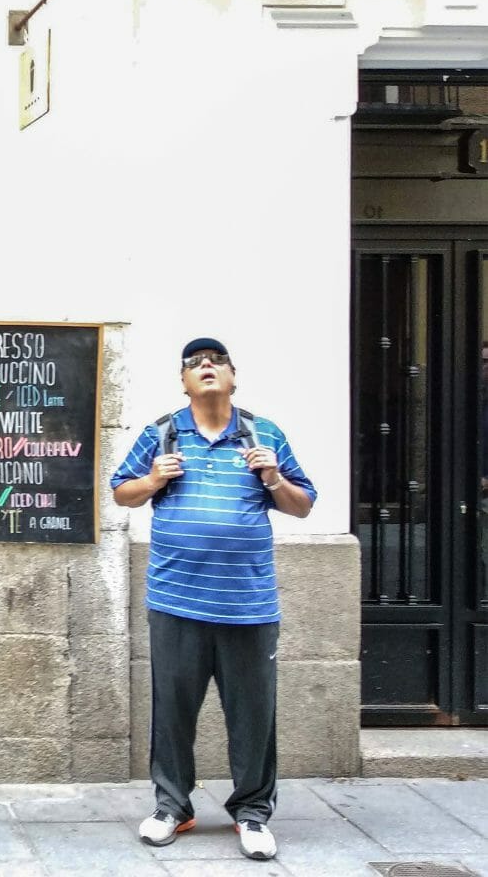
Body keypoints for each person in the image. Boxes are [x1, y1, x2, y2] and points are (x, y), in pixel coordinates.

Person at [111, 338, 316, 862]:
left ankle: (252, 814)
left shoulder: (263, 433)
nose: (206, 366)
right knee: (173, 711)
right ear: (183, 382)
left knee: (252, 714)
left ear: (232, 376)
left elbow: (303, 505)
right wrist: (153, 479)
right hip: (176, 601)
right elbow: (120, 491)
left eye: (216, 361)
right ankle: (171, 808)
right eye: (194, 363)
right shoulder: (162, 434)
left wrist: (272, 478)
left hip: (248, 605)